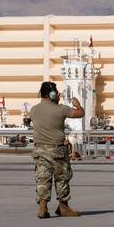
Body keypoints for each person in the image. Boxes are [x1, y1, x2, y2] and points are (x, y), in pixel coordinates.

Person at [30, 81, 83, 219]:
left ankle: (43, 207)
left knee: (43, 179)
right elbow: (80, 114)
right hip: (57, 150)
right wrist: (77, 105)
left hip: (40, 150)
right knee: (61, 178)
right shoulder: (61, 109)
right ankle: (63, 207)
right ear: (54, 94)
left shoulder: (33, 110)